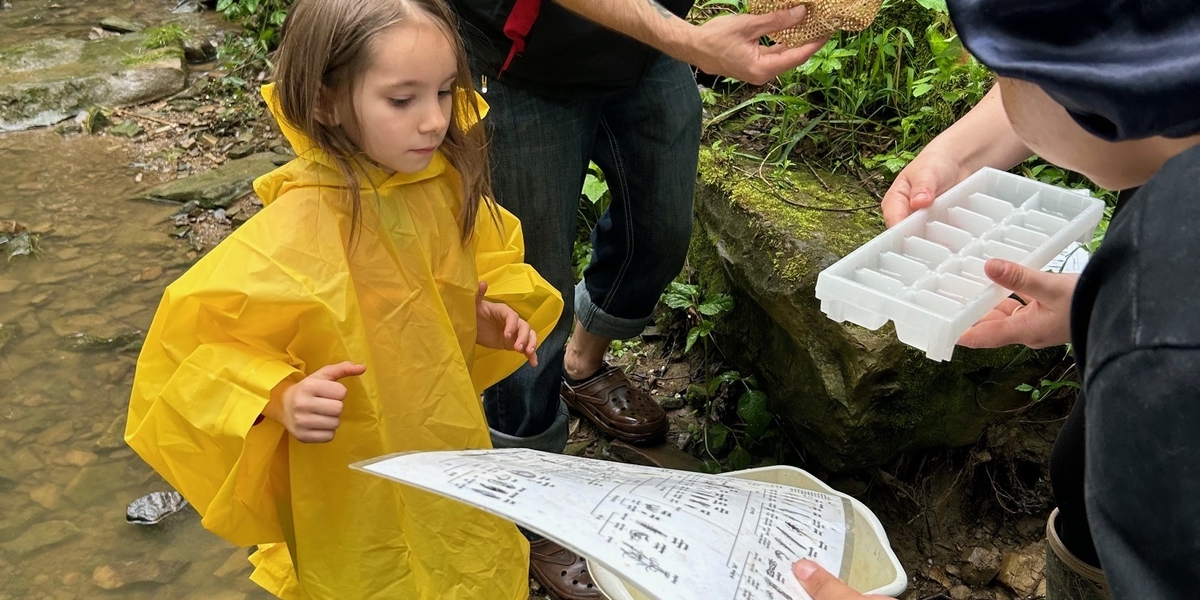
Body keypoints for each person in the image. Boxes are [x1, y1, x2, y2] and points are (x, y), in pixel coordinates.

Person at [123, 0, 563, 598]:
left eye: (443, 92)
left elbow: (470, 276)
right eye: (402, 100)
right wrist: (279, 397)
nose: (435, 121)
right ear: (326, 100)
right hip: (345, 468)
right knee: (367, 573)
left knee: (461, 553)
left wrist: (480, 316)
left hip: (443, 435)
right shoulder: (293, 230)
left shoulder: (440, 189)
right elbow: (194, 352)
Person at [789, 0, 1200, 599]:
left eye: (1002, 75)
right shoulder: (1164, 279)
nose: (1000, 98)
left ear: (1095, 87)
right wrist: (1097, 307)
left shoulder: (1160, 354)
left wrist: (1130, 326)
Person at [447, 2, 828, 597]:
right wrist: (688, 40)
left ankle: (582, 364)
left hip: (646, 52)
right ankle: (533, 494)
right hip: (518, 62)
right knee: (525, 292)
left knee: (659, 231)